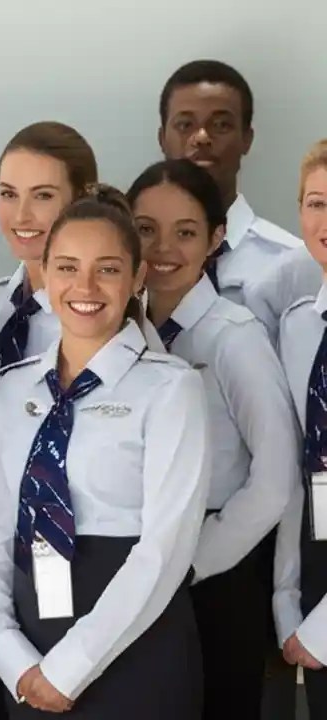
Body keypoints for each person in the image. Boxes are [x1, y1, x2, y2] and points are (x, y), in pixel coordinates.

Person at [0, 185, 208, 719]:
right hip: (32, 649)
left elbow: (165, 549)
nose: (84, 286)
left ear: (137, 278)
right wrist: (11, 658)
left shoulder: (170, 388)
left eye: (106, 269)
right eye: (67, 267)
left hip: (133, 642)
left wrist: (72, 667)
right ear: (46, 274)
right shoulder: (15, 388)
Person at [131, 158, 299, 718]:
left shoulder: (235, 336)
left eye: (185, 232)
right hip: (133, 557)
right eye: (146, 229)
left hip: (215, 568)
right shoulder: (120, 333)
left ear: (215, 238)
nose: (163, 248)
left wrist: (192, 562)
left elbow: (275, 477)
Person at [0, 120, 97, 720]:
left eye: (43, 195)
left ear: (82, 197)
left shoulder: (104, 327)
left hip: (79, 576)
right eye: (8, 193)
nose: (23, 213)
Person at [157, 59, 301, 315]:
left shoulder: (292, 262)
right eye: (185, 124)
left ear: (247, 139)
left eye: (221, 125)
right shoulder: (133, 254)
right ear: (162, 139)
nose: (201, 137)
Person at [270, 139, 327, 718]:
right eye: (317, 203)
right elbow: (293, 473)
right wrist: (288, 601)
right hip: (315, 569)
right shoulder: (299, 327)